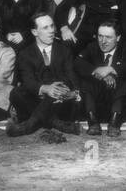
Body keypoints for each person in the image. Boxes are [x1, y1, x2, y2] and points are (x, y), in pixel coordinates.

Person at [8, 13, 82, 141]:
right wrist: (45, 88)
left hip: (60, 100)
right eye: (45, 28)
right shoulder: (25, 53)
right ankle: (56, 123)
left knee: (56, 94)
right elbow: (28, 81)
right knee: (16, 93)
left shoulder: (64, 50)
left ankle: (29, 126)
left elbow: (71, 76)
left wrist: (73, 92)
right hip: (38, 98)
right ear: (34, 32)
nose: (52, 31)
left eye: (52, 26)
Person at [76, 19, 126, 136]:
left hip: (120, 107)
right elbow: (78, 62)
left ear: (118, 38)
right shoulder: (92, 47)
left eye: (108, 37)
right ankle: (92, 122)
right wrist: (98, 72)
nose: (103, 41)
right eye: (100, 36)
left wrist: (111, 70)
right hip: (98, 106)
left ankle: (114, 123)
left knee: (125, 80)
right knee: (87, 81)